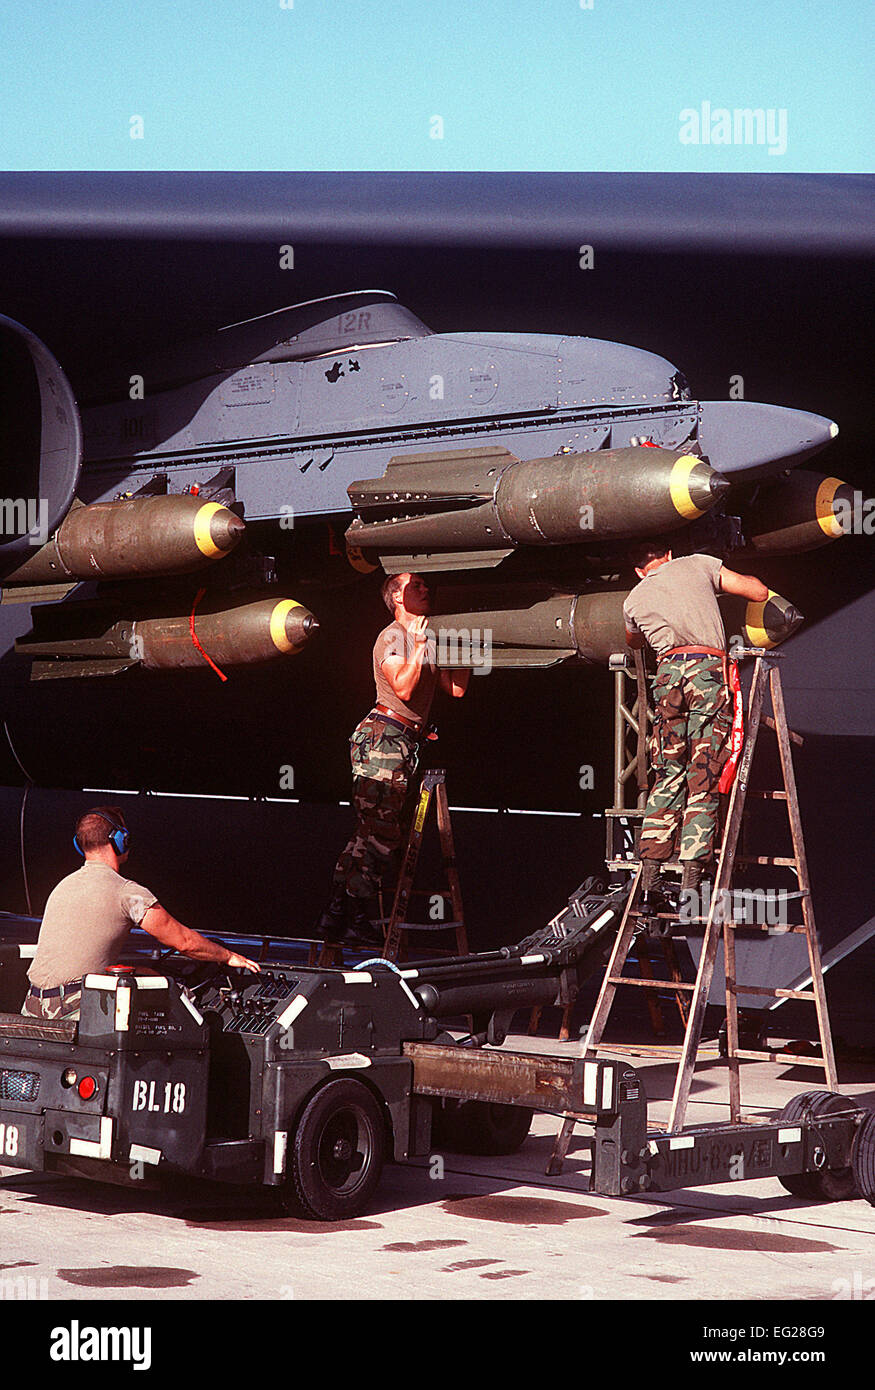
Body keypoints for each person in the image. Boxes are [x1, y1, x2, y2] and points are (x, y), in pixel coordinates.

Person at [318, 572, 470, 946]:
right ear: (397, 597)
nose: (424, 589)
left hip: (401, 742)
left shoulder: (426, 638)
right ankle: (356, 917)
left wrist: (464, 649)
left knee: (368, 834)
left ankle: (336, 915)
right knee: (381, 835)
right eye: (415, 585)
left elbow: (456, 689)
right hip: (383, 737)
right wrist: (419, 644)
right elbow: (401, 687)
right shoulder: (394, 635)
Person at [623, 543, 768, 899]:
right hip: (706, 672)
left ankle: (651, 882)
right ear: (670, 555)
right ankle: (691, 882)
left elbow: (633, 640)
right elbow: (758, 590)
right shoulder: (697, 563)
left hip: (668, 676)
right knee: (703, 772)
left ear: (640, 570)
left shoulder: (633, 598)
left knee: (668, 772)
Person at [22, 806, 260, 1021]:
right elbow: (185, 943)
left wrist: (143, 972)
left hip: (33, 1006)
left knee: (147, 975)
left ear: (79, 843)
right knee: (181, 1006)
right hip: (75, 1006)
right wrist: (227, 956)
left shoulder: (63, 885)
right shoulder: (126, 892)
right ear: (120, 840)